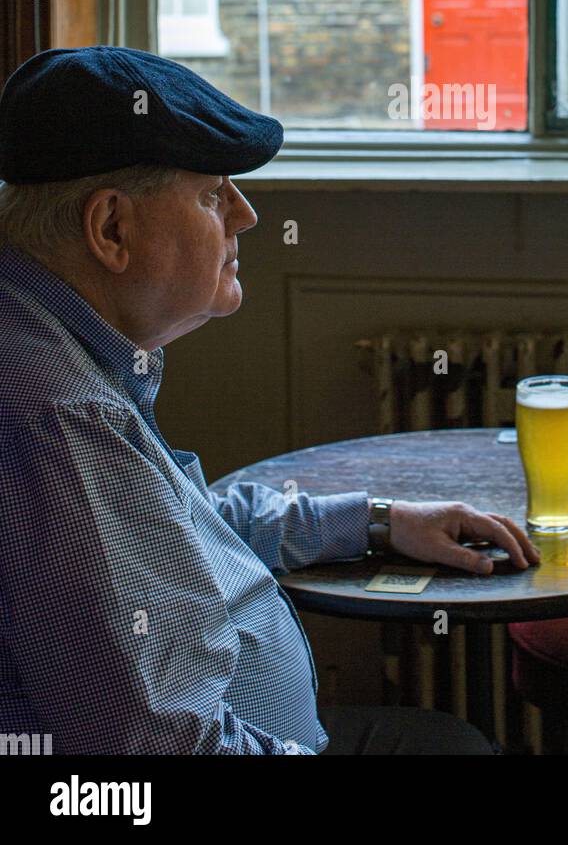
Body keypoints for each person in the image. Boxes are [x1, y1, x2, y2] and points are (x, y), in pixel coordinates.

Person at [0, 46, 539, 755]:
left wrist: (378, 523)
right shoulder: (63, 417)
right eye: (210, 194)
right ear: (111, 230)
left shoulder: (56, 346)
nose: (246, 216)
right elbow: (159, 748)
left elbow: (171, 530)